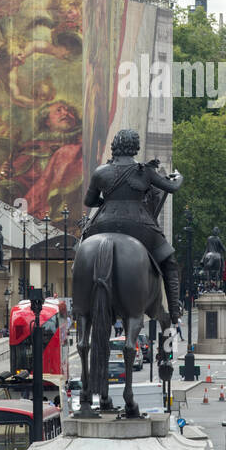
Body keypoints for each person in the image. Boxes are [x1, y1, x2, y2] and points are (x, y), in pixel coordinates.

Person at [81, 129, 184, 323]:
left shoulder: (100, 172)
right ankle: (174, 310)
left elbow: (89, 201)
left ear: (114, 146)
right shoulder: (144, 171)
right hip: (139, 226)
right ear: (135, 147)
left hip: (103, 224)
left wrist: (105, 202)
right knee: (169, 262)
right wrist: (179, 177)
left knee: (82, 253)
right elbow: (172, 188)